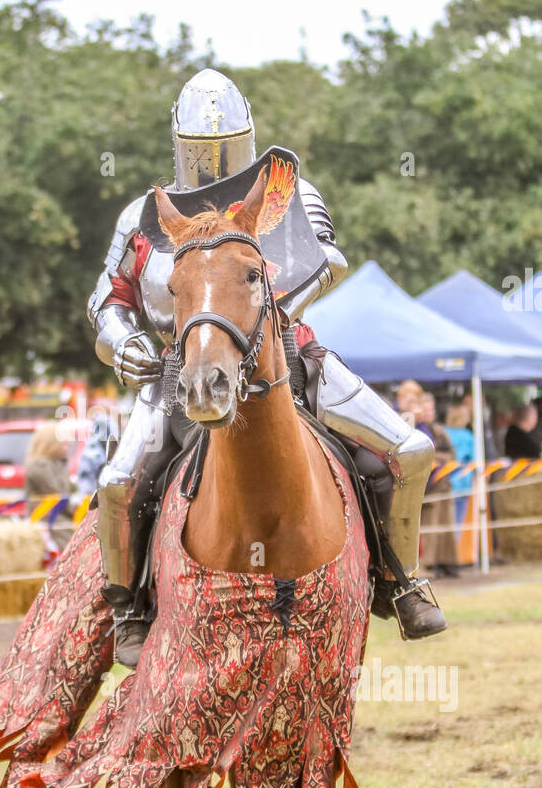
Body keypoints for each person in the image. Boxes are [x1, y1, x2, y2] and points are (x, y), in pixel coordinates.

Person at [87, 68, 444, 663]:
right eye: (200, 151)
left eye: (224, 148)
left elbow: (328, 258)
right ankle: (128, 608)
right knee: (120, 484)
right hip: (182, 371)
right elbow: (108, 298)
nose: (213, 162)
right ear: (179, 146)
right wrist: (122, 342)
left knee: (408, 450)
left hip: (291, 355)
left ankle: (400, 578)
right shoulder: (144, 216)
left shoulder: (285, 195)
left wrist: (271, 311)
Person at [415, 392, 460, 578]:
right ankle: (428, 563)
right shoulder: (417, 428)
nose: (430, 412)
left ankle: (447, 561)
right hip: (429, 486)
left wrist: (441, 457)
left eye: (432, 409)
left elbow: (451, 453)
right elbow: (427, 453)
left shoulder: (438, 430)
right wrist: (440, 457)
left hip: (443, 483)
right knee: (429, 525)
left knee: (446, 524)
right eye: (426, 409)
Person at [24, 421, 75, 554]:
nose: (67, 448)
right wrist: (79, 509)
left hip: (61, 516)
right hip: (48, 518)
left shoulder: (58, 464)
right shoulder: (40, 467)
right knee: (70, 546)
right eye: (64, 444)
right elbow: (57, 495)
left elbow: (70, 489)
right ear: (51, 445)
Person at [445, 402, 475, 532]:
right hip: (462, 485)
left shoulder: (444, 432)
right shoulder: (468, 436)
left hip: (444, 482)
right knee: (457, 525)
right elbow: (474, 460)